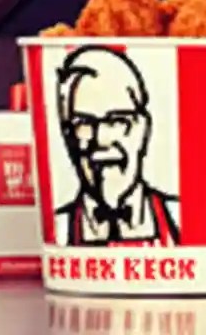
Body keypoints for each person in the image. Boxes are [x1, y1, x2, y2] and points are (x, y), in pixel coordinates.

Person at [54, 46, 180, 247]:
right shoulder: (56, 231)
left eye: (118, 121)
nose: (102, 139)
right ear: (68, 136)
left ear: (143, 129)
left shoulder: (181, 219)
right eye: (84, 123)